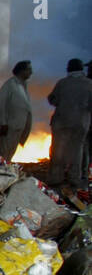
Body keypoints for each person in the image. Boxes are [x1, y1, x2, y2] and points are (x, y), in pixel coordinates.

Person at [48, 58, 92, 191]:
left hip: (61, 122)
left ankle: (56, 178)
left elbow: (52, 99)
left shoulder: (62, 83)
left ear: (69, 69)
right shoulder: (89, 84)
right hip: (81, 123)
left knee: (58, 150)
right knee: (77, 150)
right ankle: (74, 178)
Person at [0, 60, 33, 160]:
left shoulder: (22, 86)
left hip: (17, 128)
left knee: (9, 155)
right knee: (2, 155)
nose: (31, 72)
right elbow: (1, 105)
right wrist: (3, 124)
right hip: (7, 128)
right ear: (21, 71)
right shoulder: (10, 85)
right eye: (29, 70)